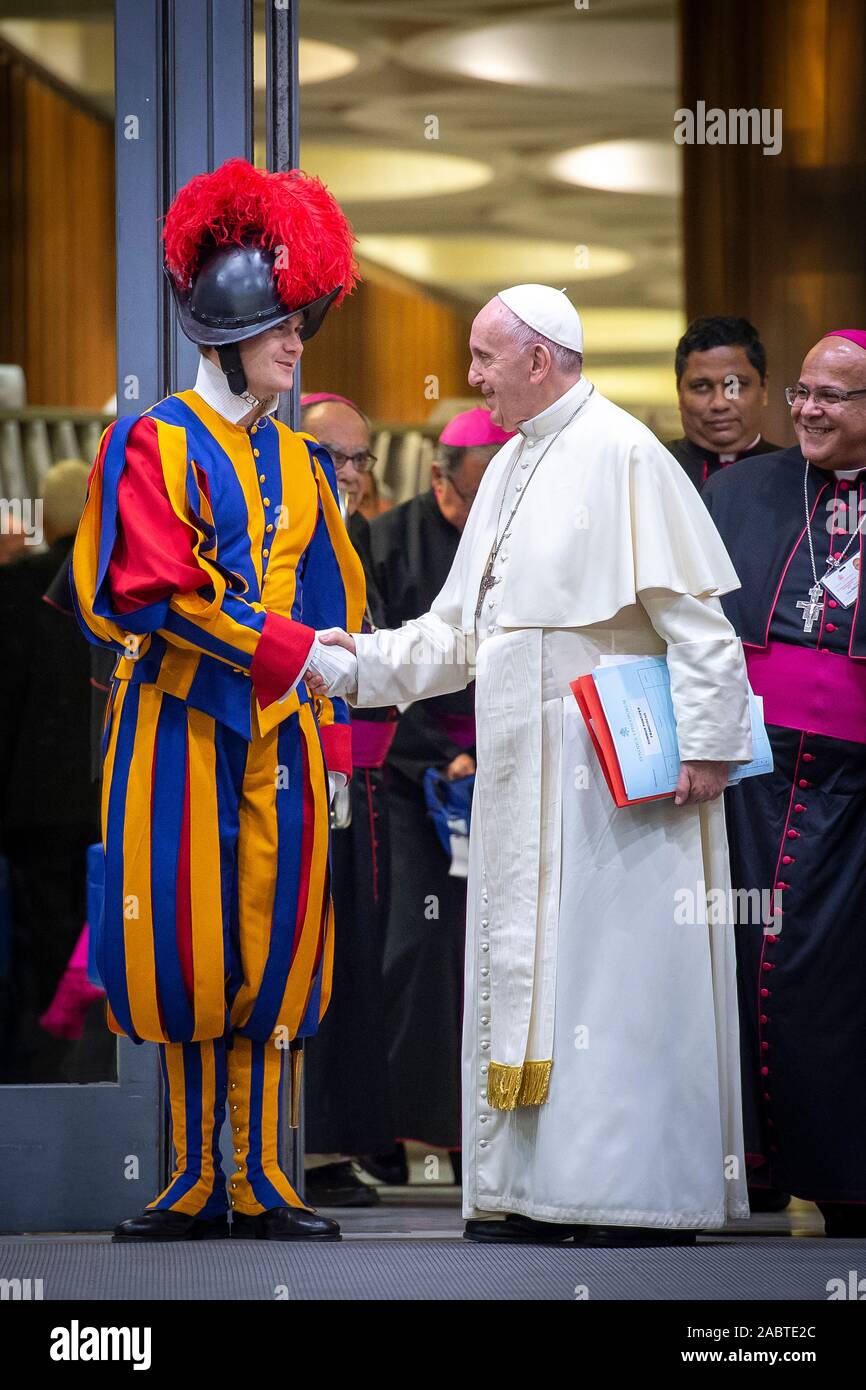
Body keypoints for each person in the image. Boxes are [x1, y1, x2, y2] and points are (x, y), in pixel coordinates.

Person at [307, 283, 755, 1246]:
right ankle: (528, 1191)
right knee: (523, 981)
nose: (471, 377)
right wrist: (351, 662)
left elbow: (701, 628)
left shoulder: (627, 453)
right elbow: (458, 634)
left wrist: (710, 748)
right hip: (520, 781)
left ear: (542, 358)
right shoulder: (507, 465)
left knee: (612, 988)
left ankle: (627, 1199)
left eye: (483, 357)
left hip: (615, 787)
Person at [71, 158, 365, 1242]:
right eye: (283, 325)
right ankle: (193, 1177)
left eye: (301, 324)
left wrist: (333, 698)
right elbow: (157, 597)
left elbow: (340, 606)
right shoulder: (150, 442)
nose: (298, 343)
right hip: (178, 733)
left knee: (279, 945)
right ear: (228, 329)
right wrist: (303, 654)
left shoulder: (299, 458)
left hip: (281, 741)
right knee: (186, 945)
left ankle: (262, 1177)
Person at [703, 328, 866, 1238]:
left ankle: (846, 1180)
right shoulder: (738, 492)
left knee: (831, 988)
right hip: (749, 789)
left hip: (854, 801)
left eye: (833, 397)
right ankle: (750, 1169)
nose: (806, 409)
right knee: (734, 965)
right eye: (801, 391)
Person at [361, 407, 511, 1182]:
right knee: (417, 949)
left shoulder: (521, 536)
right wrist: (447, 753)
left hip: (514, 759)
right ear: (438, 479)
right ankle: (412, 1133)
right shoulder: (386, 541)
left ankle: (494, 1133)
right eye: (472, 492)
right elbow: (386, 665)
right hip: (411, 773)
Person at [298, 391, 396, 1207]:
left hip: (361, 789)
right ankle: (300, 1141)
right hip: (294, 778)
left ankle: (336, 1140)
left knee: (355, 963)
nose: (354, 475)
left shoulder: (359, 537)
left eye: (361, 458)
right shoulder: (278, 541)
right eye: (336, 457)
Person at [0, 461, 99, 1081]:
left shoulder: (15, 588)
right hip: (105, 799)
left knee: (42, 943)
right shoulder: (114, 581)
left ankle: (43, 1073)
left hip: (33, 806)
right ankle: (97, 1069)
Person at [667, 316, 782, 490]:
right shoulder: (656, 468)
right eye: (701, 387)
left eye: (734, 385)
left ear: (764, 388)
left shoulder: (799, 475)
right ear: (679, 391)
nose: (719, 404)